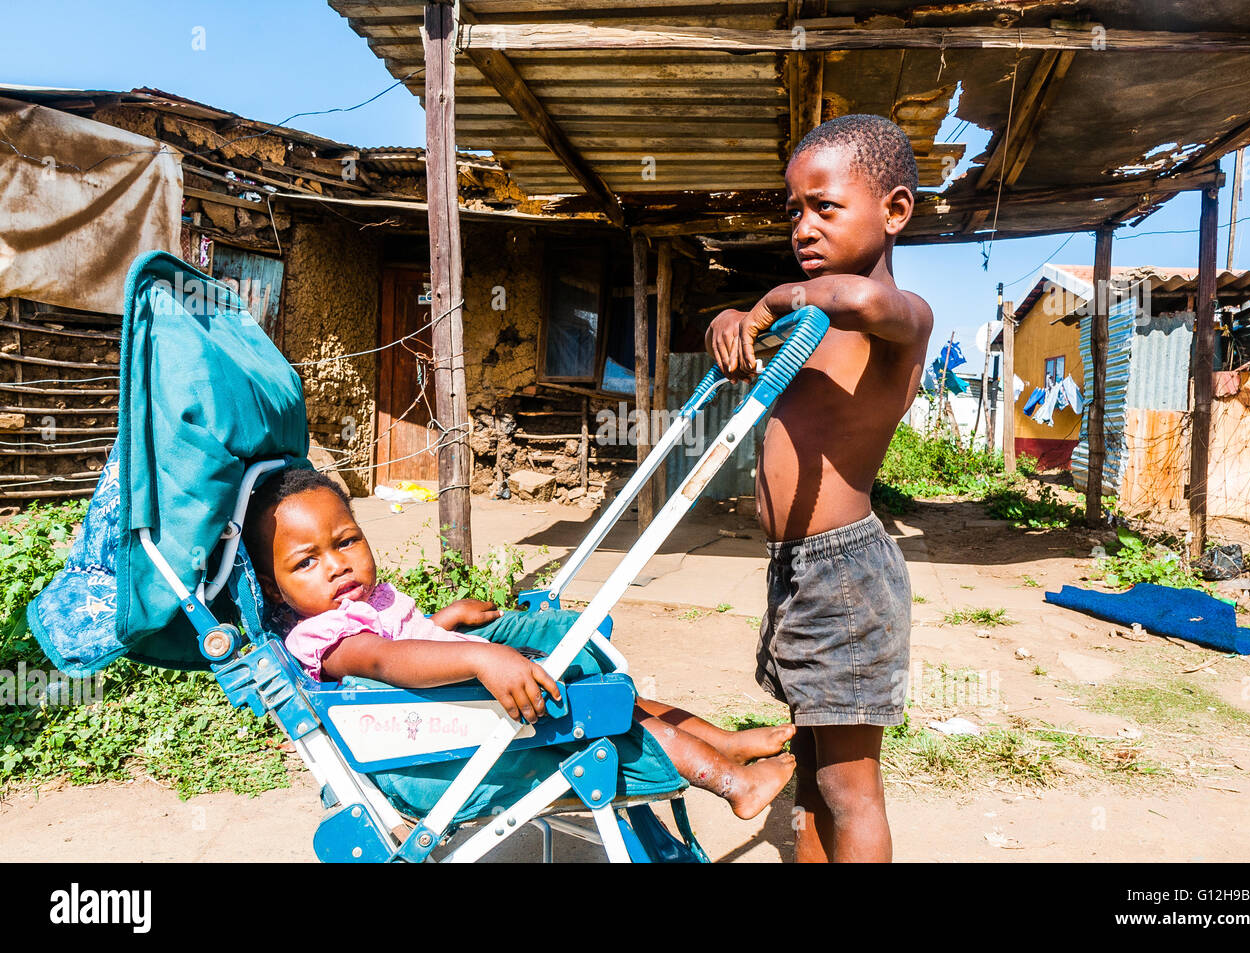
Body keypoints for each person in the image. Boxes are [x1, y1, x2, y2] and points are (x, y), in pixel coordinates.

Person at [245, 466, 796, 820]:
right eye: (307, 562)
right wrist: (482, 653)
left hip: (461, 709)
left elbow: (402, 639)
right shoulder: (322, 636)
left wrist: (443, 620)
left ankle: (723, 741)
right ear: (273, 586)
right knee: (600, 712)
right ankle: (731, 783)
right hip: (431, 748)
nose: (337, 565)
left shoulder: (361, 603)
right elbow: (385, 659)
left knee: (616, 698)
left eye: (346, 541)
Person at [705, 114, 933, 861]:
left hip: (847, 576)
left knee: (849, 788)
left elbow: (859, 301)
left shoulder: (898, 319)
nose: (802, 226)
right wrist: (729, 319)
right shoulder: (810, 317)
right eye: (794, 210)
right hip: (798, 571)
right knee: (809, 776)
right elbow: (765, 317)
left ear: (894, 211)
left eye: (824, 207)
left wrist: (767, 301)